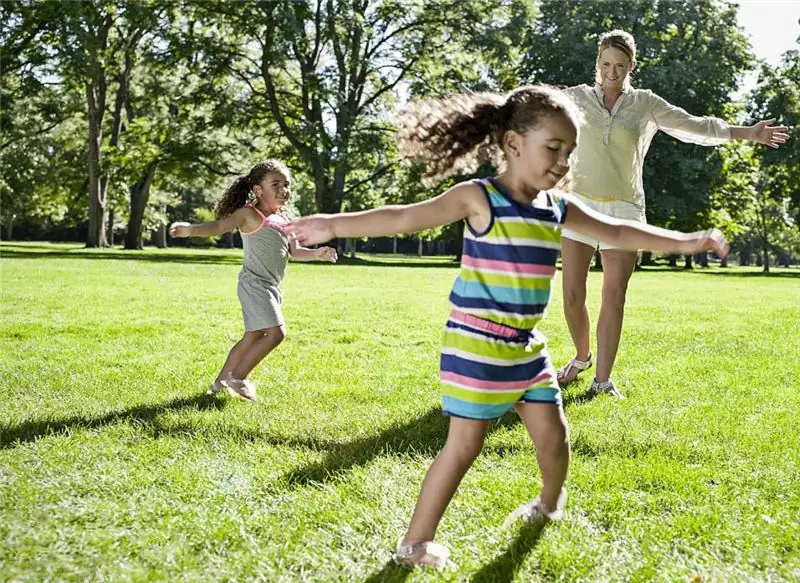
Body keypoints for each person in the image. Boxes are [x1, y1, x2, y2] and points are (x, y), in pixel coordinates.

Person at [286, 85, 728, 569]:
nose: (562, 163)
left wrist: (687, 241)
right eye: (553, 149)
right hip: (476, 347)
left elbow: (619, 231)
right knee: (464, 446)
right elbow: (404, 218)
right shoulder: (480, 198)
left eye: (569, 152)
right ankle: (414, 545)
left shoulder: (558, 208)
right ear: (514, 144)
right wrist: (332, 224)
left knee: (554, 435)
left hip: (526, 350)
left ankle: (548, 506)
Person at [557, 30, 789, 397]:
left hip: (624, 209)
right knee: (572, 295)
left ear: (631, 66)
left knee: (614, 293)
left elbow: (694, 126)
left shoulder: (645, 104)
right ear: (596, 63)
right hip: (579, 205)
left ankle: (602, 380)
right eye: (605, 65)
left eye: (619, 66)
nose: (611, 72)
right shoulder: (575, 98)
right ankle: (582, 356)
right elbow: (530, 111)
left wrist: (748, 133)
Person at [168, 159, 337, 402]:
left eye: (286, 185)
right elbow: (218, 226)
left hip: (271, 287)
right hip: (254, 284)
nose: (284, 190)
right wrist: (190, 230)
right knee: (276, 333)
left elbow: (295, 251)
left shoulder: (284, 220)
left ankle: (219, 383)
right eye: (276, 184)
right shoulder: (249, 214)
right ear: (258, 190)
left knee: (253, 336)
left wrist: (318, 254)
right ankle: (238, 377)